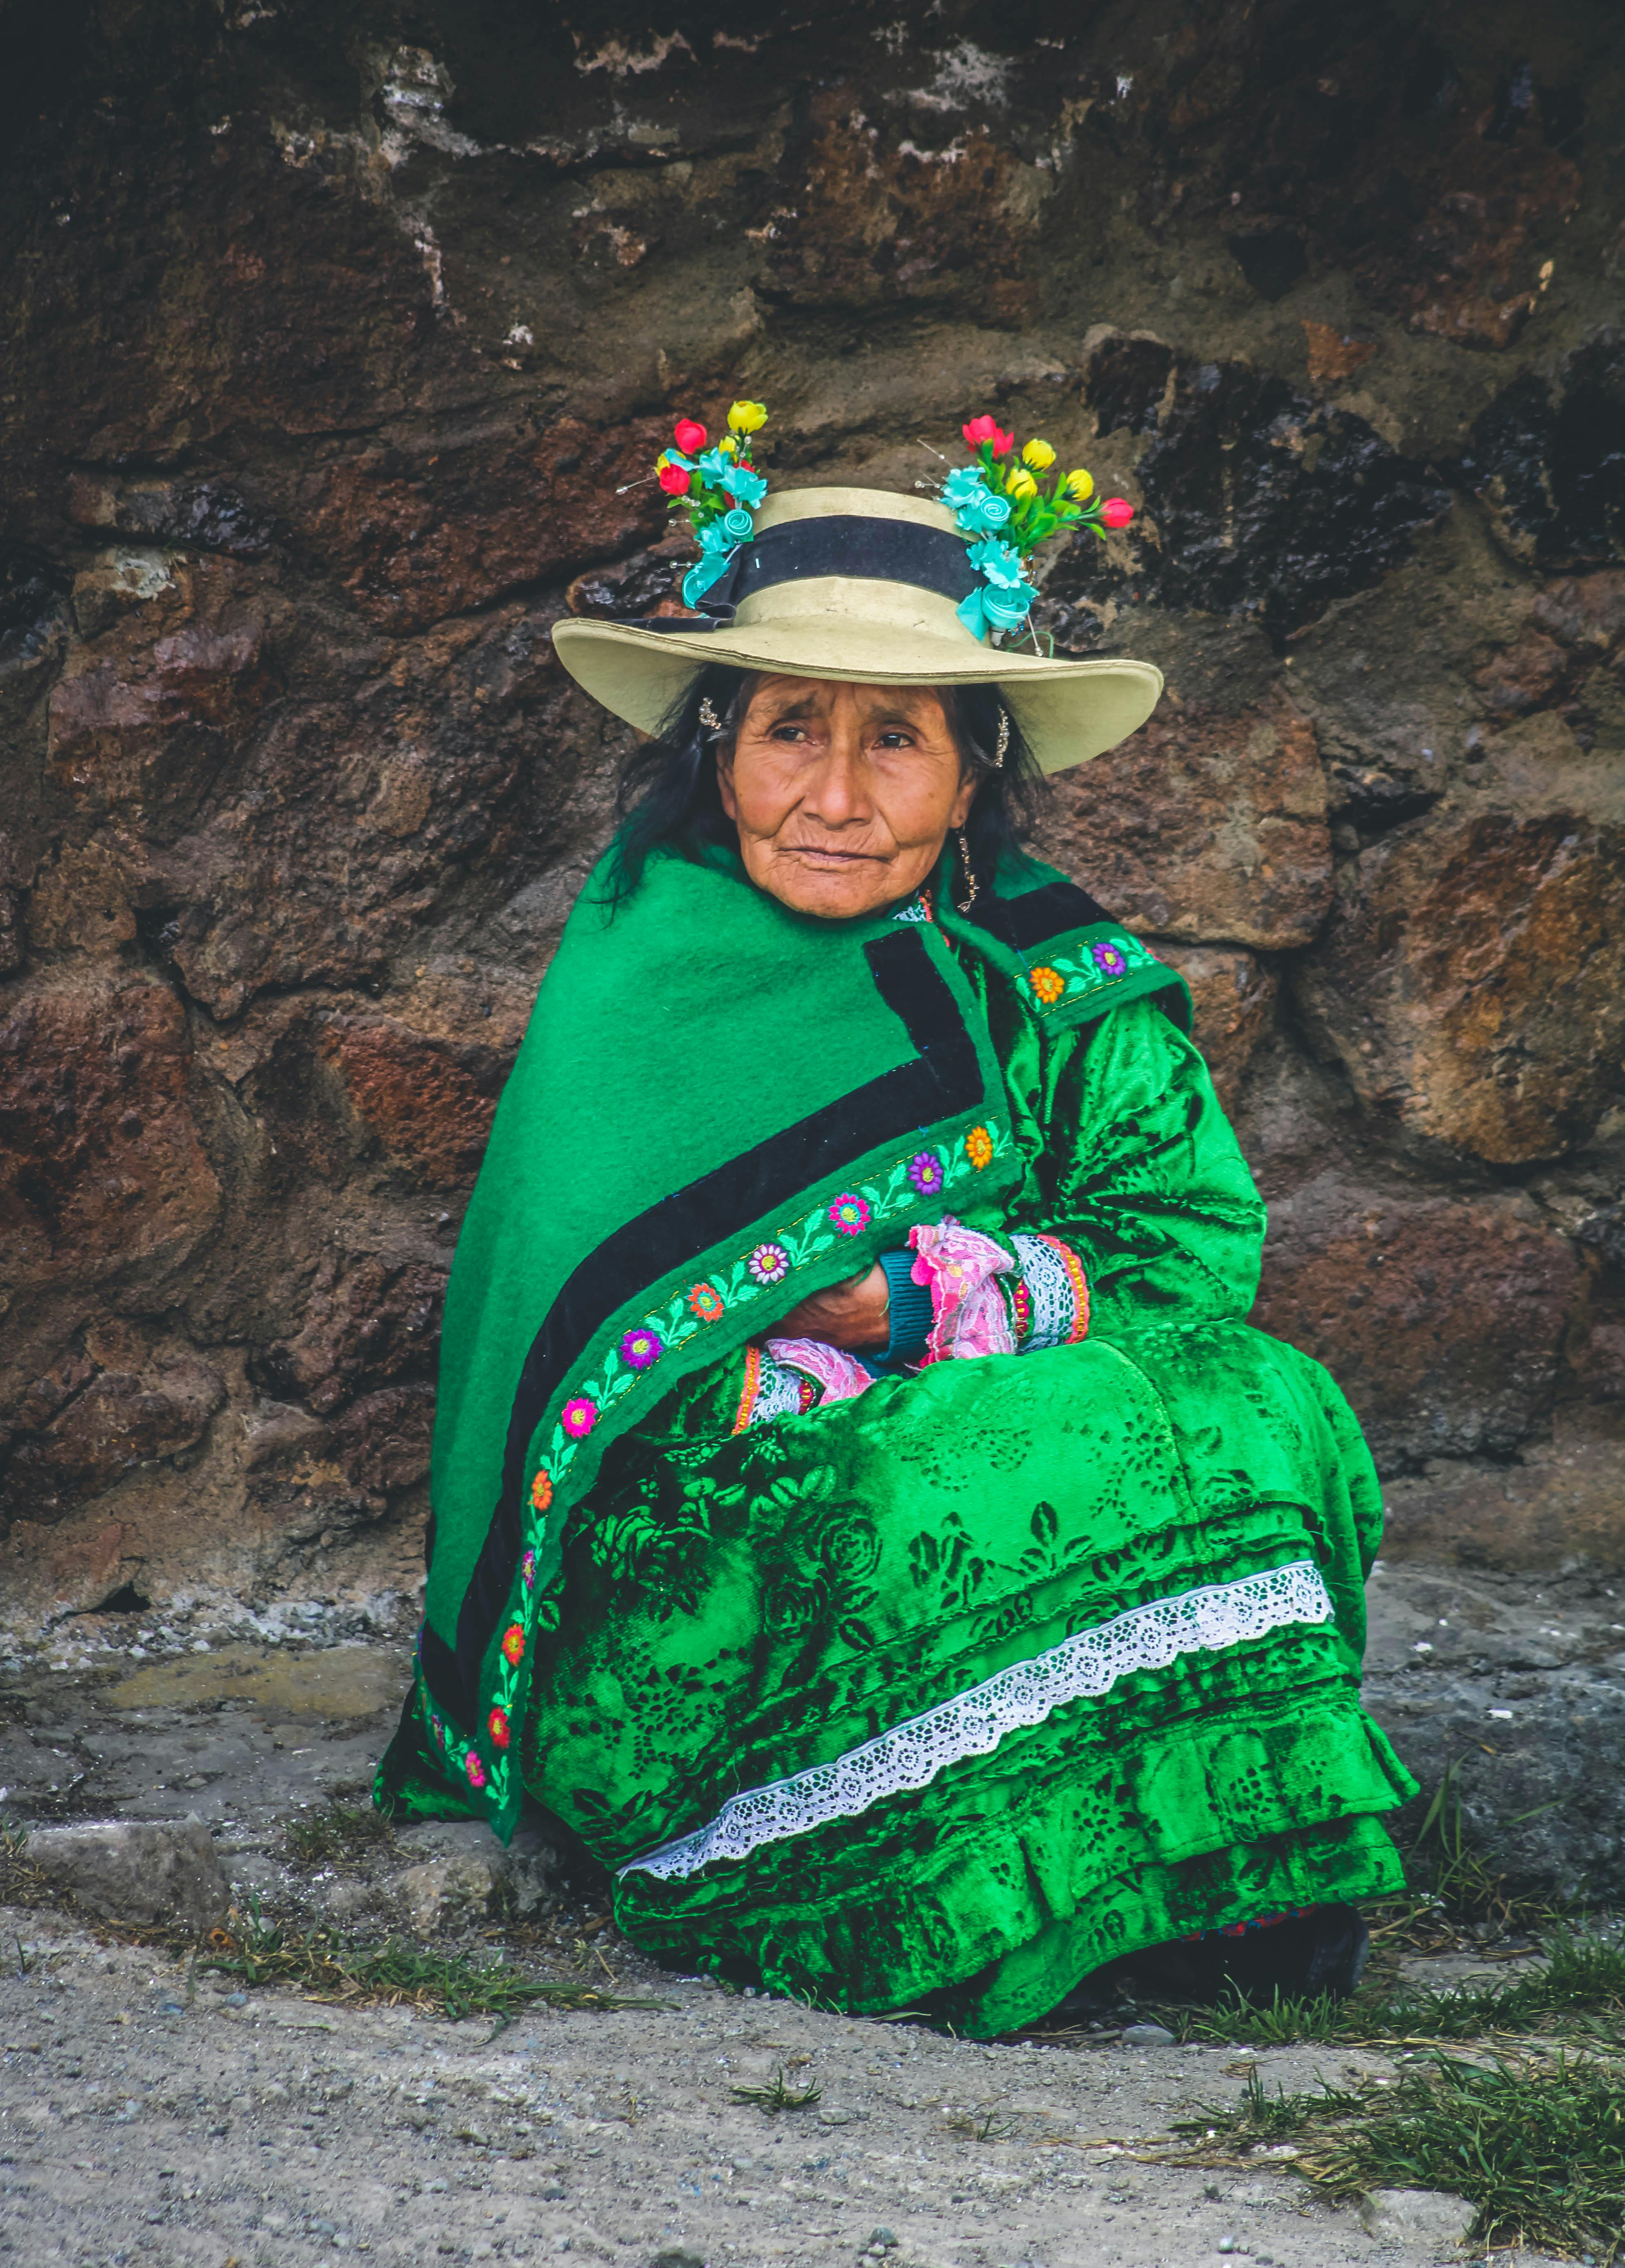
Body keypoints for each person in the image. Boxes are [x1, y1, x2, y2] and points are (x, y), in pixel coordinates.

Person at [377, 428, 1415, 2036]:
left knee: (1264, 1399)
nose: (836, 797)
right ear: (719, 747)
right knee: (962, 1472)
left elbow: (1186, 1250)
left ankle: (1222, 1872)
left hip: (977, 1399)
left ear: (976, 772)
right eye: (790, 729)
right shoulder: (647, 975)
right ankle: (949, 1891)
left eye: (896, 741)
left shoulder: (1043, 969)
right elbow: (591, 1364)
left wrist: (921, 1312)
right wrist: (844, 1365)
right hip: (708, 1547)